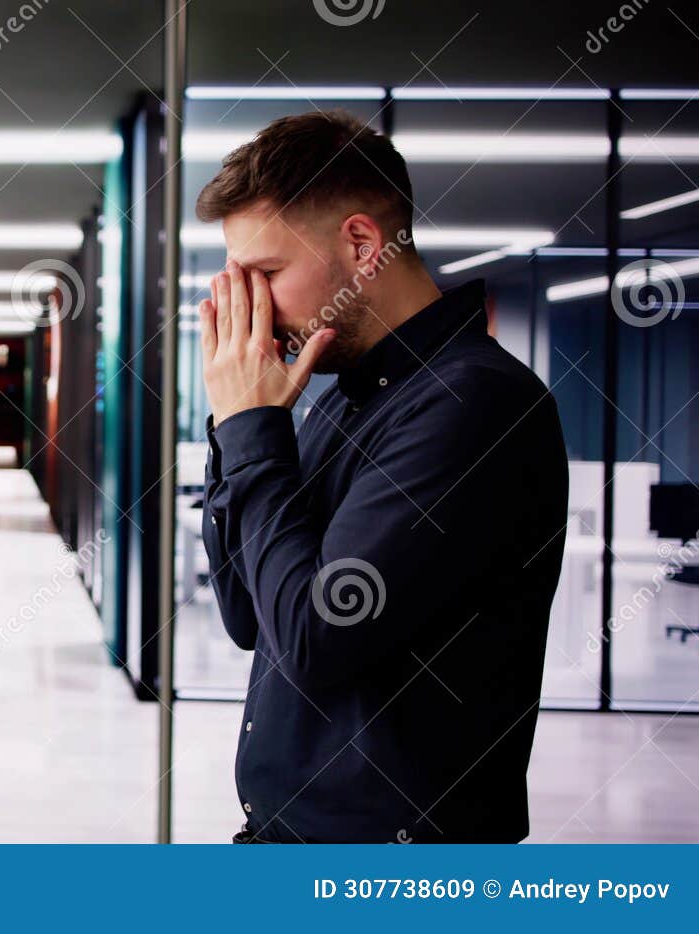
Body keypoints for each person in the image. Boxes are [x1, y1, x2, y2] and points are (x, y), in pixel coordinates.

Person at [194, 111, 567, 843]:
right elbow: (248, 613)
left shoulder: (474, 404)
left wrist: (254, 430)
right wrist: (231, 427)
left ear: (362, 244)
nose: (256, 309)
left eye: (267, 273)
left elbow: (312, 638)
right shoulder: (341, 405)